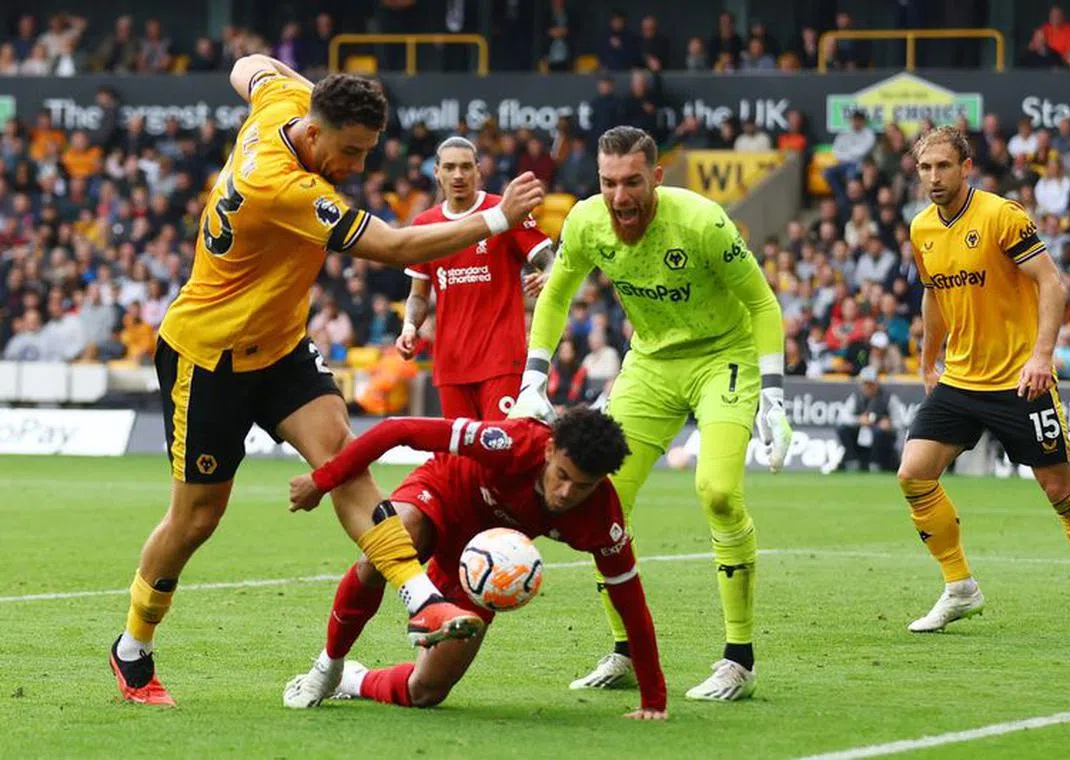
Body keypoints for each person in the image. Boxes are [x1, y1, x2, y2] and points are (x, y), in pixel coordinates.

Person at [108, 54, 545, 706]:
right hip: (210, 358)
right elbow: (396, 248)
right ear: (316, 136)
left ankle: (418, 595)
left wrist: (312, 90)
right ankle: (133, 647)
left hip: (281, 346)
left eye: (367, 150)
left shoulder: (287, 100)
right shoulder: (282, 187)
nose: (360, 166)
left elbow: (249, 65)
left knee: (340, 456)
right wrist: (498, 219)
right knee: (196, 518)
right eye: (351, 151)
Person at [512, 126, 792, 701]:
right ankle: (626, 652)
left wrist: (776, 392)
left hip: (724, 359)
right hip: (650, 364)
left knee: (717, 492)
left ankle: (738, 659)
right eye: (609, 182)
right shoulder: (587, 221)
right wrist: (534, 378)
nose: (620, 196)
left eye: (632, 182)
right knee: (598, 497)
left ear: (656, 178)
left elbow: (763, 303)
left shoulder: (702, 221)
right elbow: (558, 292)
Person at [282, 407, 667, 720]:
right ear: (549, 451)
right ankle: (328, 664)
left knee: (426, 691)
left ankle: (353, 680)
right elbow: (399, 429)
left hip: (484, 567)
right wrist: (323, 479)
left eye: (582, 486)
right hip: (441, 496)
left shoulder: (601, 518)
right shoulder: (514, 443)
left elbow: (630, 601)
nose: (566, 493)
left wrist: (654, 700)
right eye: (561, 476)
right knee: (383, 551)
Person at [901, 126, 1070, 641]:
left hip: (1018, 380)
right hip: (960, 378)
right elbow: (934, 296)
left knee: (1060, 490)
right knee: (914, 474)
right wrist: (927, 361)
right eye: (924, 168)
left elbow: (1053, 283)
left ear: (965, 166)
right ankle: (960, 588)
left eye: (942, 166)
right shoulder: (921, 229)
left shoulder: (1002, 216)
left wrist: (1042, 356)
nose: (933, 177)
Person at [397, 137, 553, 420]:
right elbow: (419, 295)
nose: (458, 175)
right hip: (450, 364)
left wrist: (549, 275)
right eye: (450, 167)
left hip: (501, 360)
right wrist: (409, 326)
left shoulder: (504, 211)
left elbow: (548, 258)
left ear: (478, 171)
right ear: (437, 172)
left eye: (466, 167)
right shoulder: (424, 225)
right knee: (461, 461)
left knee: (500, 451)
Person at [836, 367, 899, 472]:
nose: (868, 387)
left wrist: (890, 424)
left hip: (881, 438)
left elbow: (899, 421)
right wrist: (858, 420)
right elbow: (842, 418)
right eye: (865, 384)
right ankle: (852, 461)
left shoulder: (889, 398)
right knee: (843, 429)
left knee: (880, 433)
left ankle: (877, 463)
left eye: (871, 384)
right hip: (860, 435)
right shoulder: (855, 398)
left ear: (876, 383)